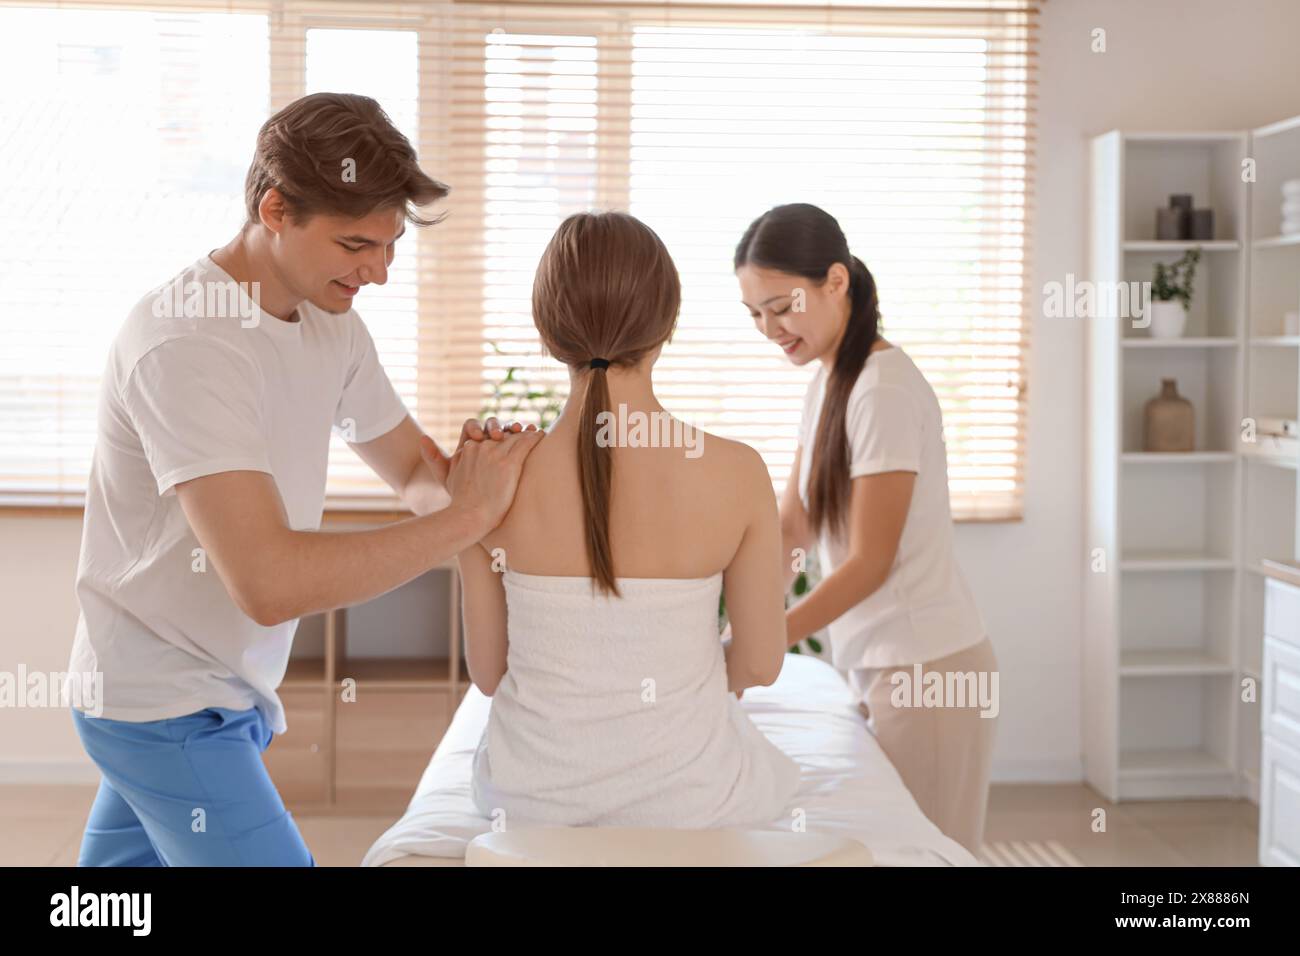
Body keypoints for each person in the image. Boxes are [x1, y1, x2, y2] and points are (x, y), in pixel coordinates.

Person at [67, 92, 542, 866]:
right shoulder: (188, 342)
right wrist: (460, 522)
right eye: (357, 244)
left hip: (219, 690)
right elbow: (269, 581)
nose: (379, 273)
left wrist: (482, 491)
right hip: (162, 700)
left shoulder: (331, 325)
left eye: (390, 247)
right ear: (275, 208)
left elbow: (416, 475)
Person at [459, 211, 800, 828]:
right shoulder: (737, 474)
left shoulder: (490, 481)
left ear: (546, 328)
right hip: (697, 804)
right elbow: (760, 664)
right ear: (667, 324)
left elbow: (488, 674)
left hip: (527, 803)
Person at [734, 202, 997, 854]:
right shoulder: (829, 383)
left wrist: (764, 642)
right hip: (882, 668)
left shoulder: (883, 389)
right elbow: (792, 525)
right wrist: (736, 624)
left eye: (782, 306)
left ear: (836, 281)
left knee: (930, 857)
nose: (770, 328)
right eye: (756, 314)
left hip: (928, 672)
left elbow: (871, 561)